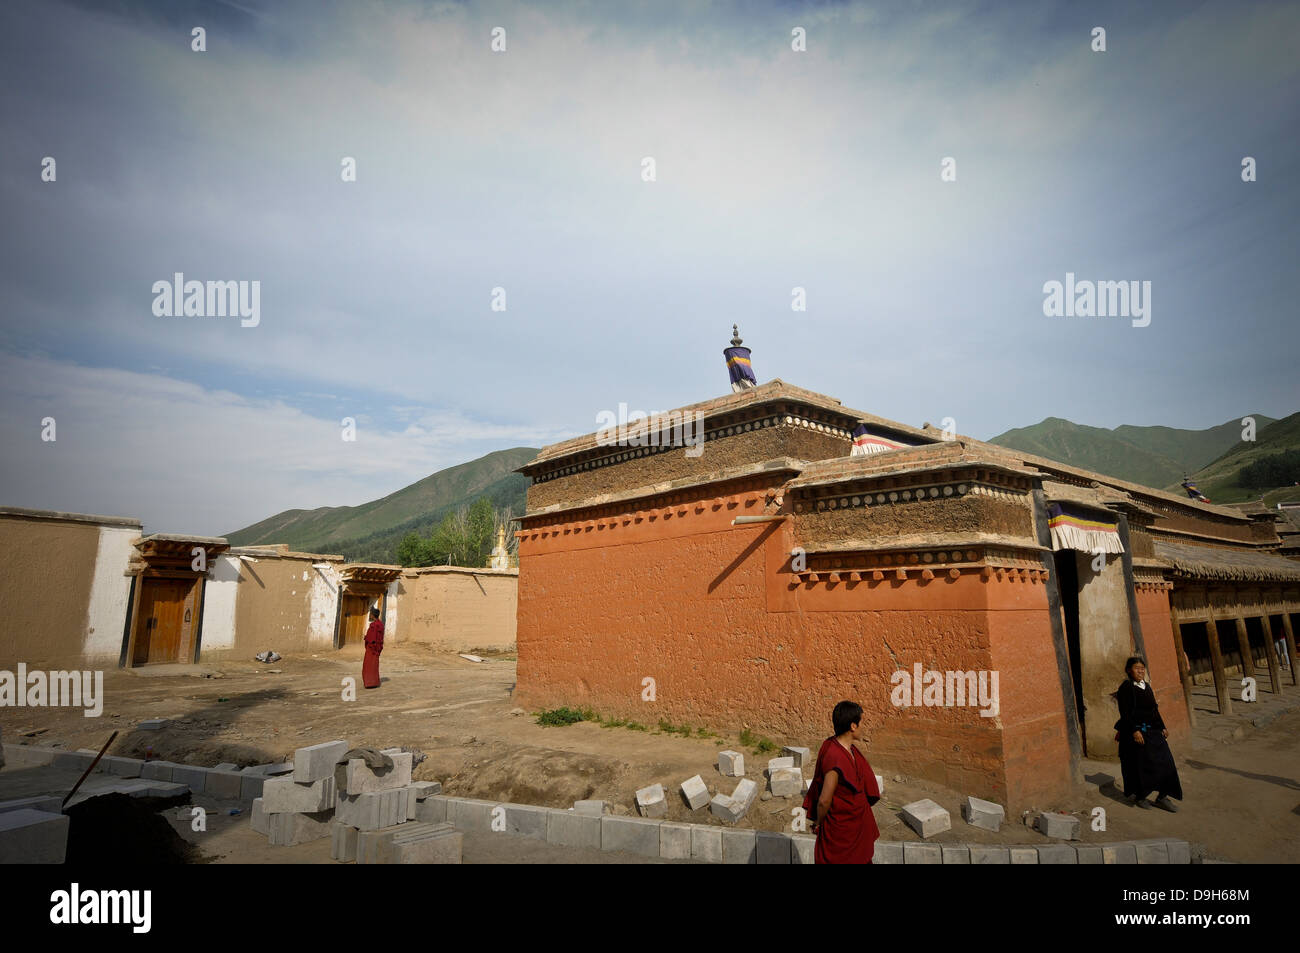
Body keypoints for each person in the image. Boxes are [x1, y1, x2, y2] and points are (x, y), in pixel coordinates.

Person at [802, 700, 882, 864]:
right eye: (862, 722)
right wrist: (818, 823)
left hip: (856, 826)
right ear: (853, 726)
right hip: (841, 832)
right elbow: (824, 801)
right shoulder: (835, 756)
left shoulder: (845, 748)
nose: (863, 727)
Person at [1114, 656, 1182, 812]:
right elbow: (1124, 712)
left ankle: (1162, 797)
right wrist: (1134, 731)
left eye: (1142, 668)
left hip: (1153, 730)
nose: (1140, 671)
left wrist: (1162, 726)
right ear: (1129, 670)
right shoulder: (1126, 687)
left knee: (1166, 762)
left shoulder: (1147, 687)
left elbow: (1154, 709)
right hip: (1137, 732)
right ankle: (1140, 796)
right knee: (1142, 766)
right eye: (1137, 668)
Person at [362, 606, 384, 690]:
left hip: (371, 649)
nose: (370, 616)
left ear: (373, 615)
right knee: (374, 665)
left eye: (370, 614)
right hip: (377, 649)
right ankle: (374, 682)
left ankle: (369, 683)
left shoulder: (374, 625)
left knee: (368, 665)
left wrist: (366, 637)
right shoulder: (380, 624)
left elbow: (372, 638)